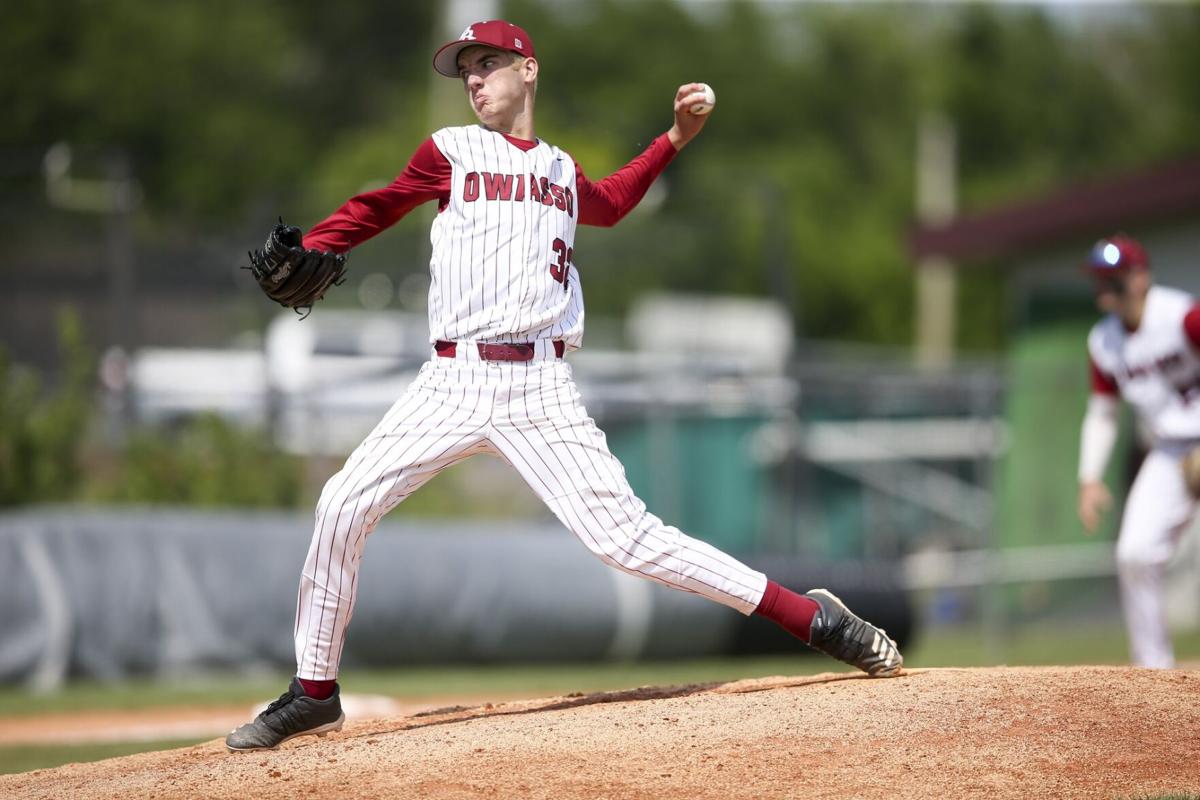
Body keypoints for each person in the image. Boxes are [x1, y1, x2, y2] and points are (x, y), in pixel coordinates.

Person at [226, 19, 903, 752]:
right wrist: (321, 244)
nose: (474, 79)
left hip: (540, 387)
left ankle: (815, 619)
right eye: (465, 71)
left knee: (630, 542)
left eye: (487, 63)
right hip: (451, 380)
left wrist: (671, 140)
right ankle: (314, 691)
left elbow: (607, 203)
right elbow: (378, 204)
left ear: (529, 70)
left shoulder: (557, 168)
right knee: (341, 503)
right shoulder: (450, 151)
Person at [1076, 233, 1200, 669]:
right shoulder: (1104, 342)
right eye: (1099, 278)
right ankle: (1154, 673)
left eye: (1115, 276)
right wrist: (1089, 478)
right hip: (1169, 449)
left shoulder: (1182, 316)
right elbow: (1104, 414)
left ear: (1141, 277)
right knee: (1134, 552)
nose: (1105, 285)